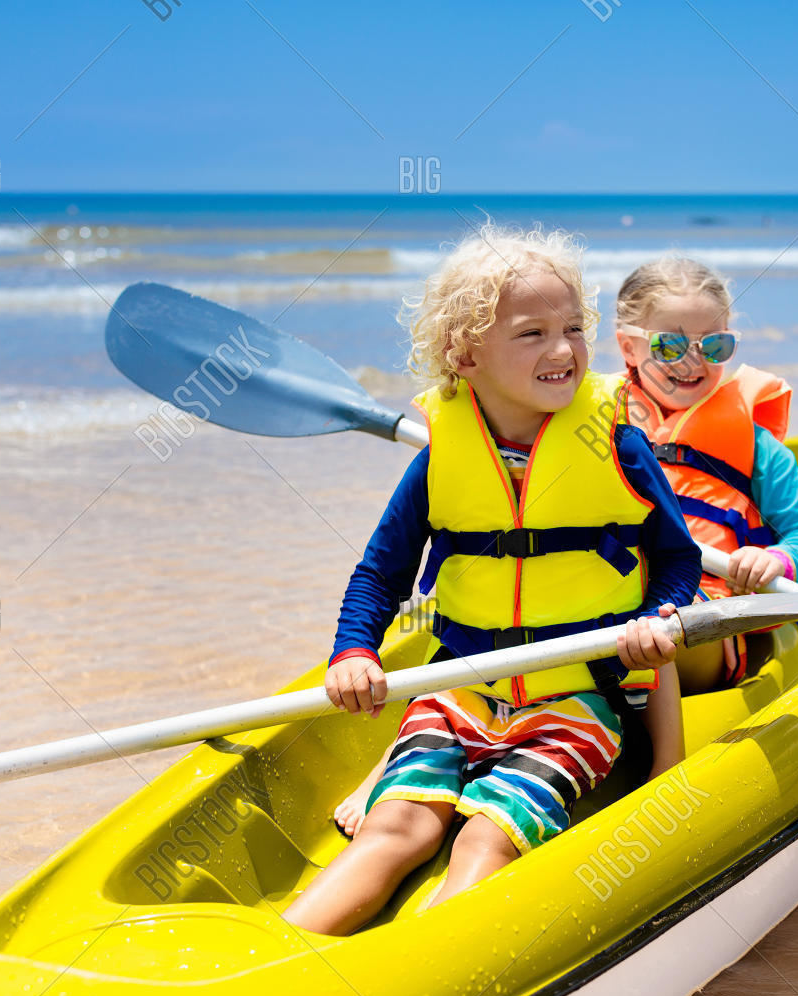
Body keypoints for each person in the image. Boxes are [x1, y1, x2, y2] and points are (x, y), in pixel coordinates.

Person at [285, 226, 700, 934]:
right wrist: (353, 651)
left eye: (573, 328)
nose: (563, 349)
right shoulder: (442, 455)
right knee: (398, 831)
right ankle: (282, 962)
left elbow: (679, 558)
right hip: (459, 692)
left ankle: (420, 969)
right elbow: (380, 574)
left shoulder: (617, 442)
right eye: (532, 333)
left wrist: (660, 616)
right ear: (465, 353)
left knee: (486, 837)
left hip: (575, 700)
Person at [613, 256, 798, 694]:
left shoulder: (757, 448)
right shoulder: (594, 423)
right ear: (628, 348)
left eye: (714, 346)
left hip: (703, 614)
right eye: (670, 345)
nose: (693, 361)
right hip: (607, 595)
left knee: (662, 623)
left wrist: (777, 560)